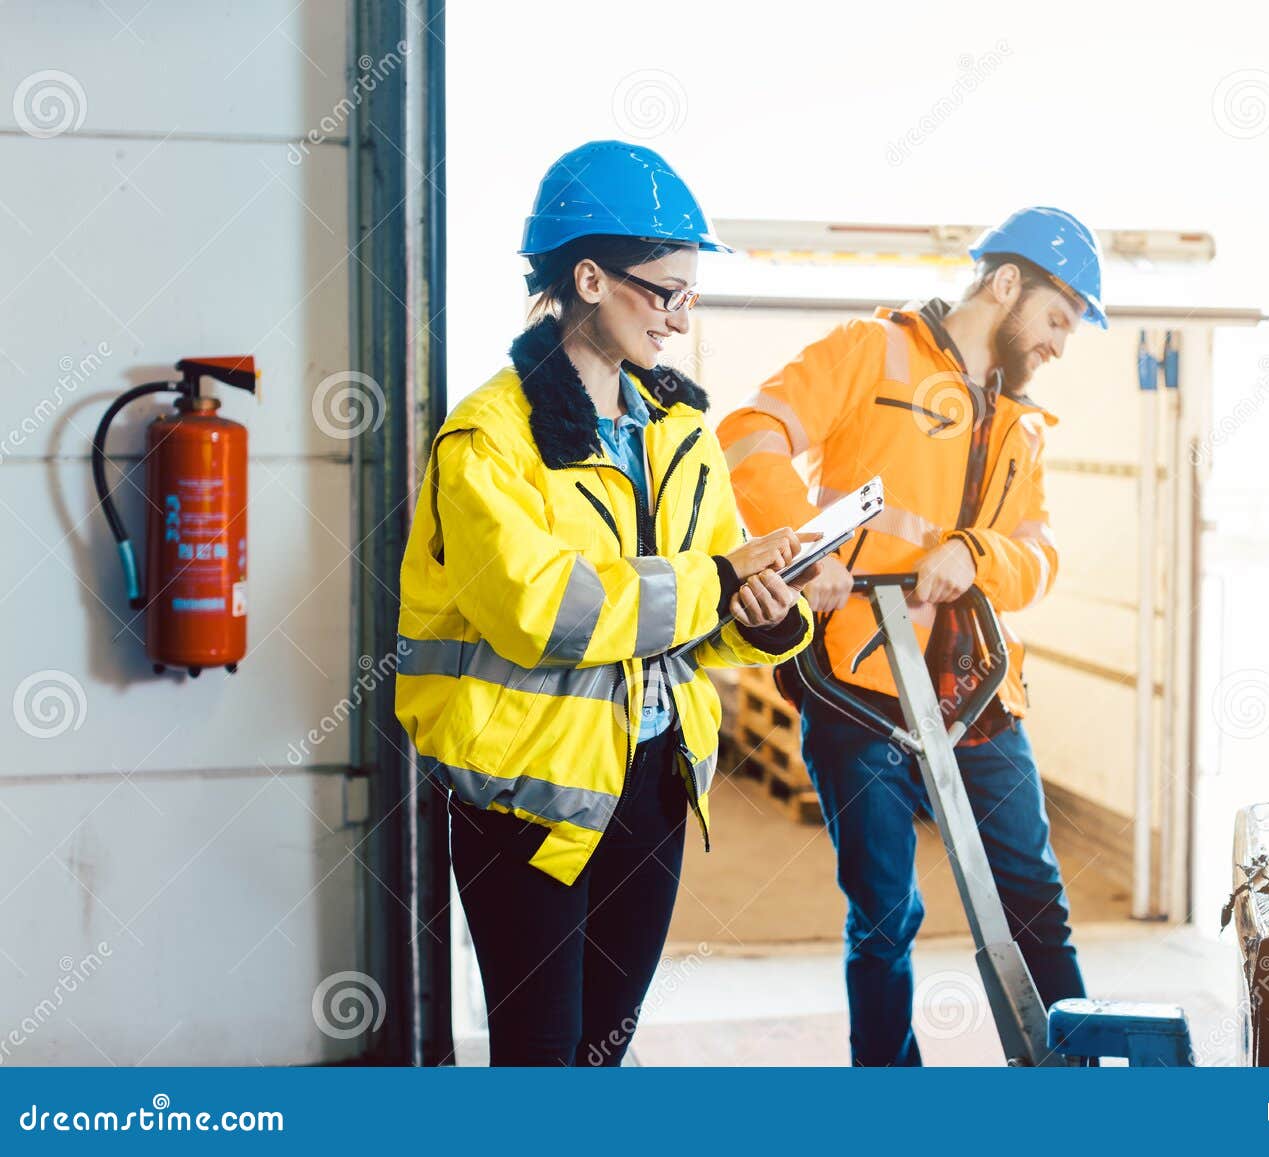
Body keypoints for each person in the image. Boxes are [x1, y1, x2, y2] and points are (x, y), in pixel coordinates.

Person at [395, 140, 815, 1066]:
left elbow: (693, 621)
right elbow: (545, 612)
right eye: (664, 290)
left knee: (601, 1053)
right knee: (540, 1057)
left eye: (687, 293)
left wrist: (766, 616)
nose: (679, 316)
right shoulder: (486, 441)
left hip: (655, 781)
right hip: (530, 800)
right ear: (589, 276)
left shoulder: (678, 431)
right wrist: (716, 579)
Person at [717, 207, 1103, 1066]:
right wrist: (804, 547)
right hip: (858, 685)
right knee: (885, 917)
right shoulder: (870, 350)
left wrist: (974, 554)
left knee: (1034, 892)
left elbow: (1038, 559)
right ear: (1006, 285)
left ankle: (1080, 1078)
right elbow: (749, 435)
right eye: (1056, 319)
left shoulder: (1022, 425)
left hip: (976, 690)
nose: (1059, 345)